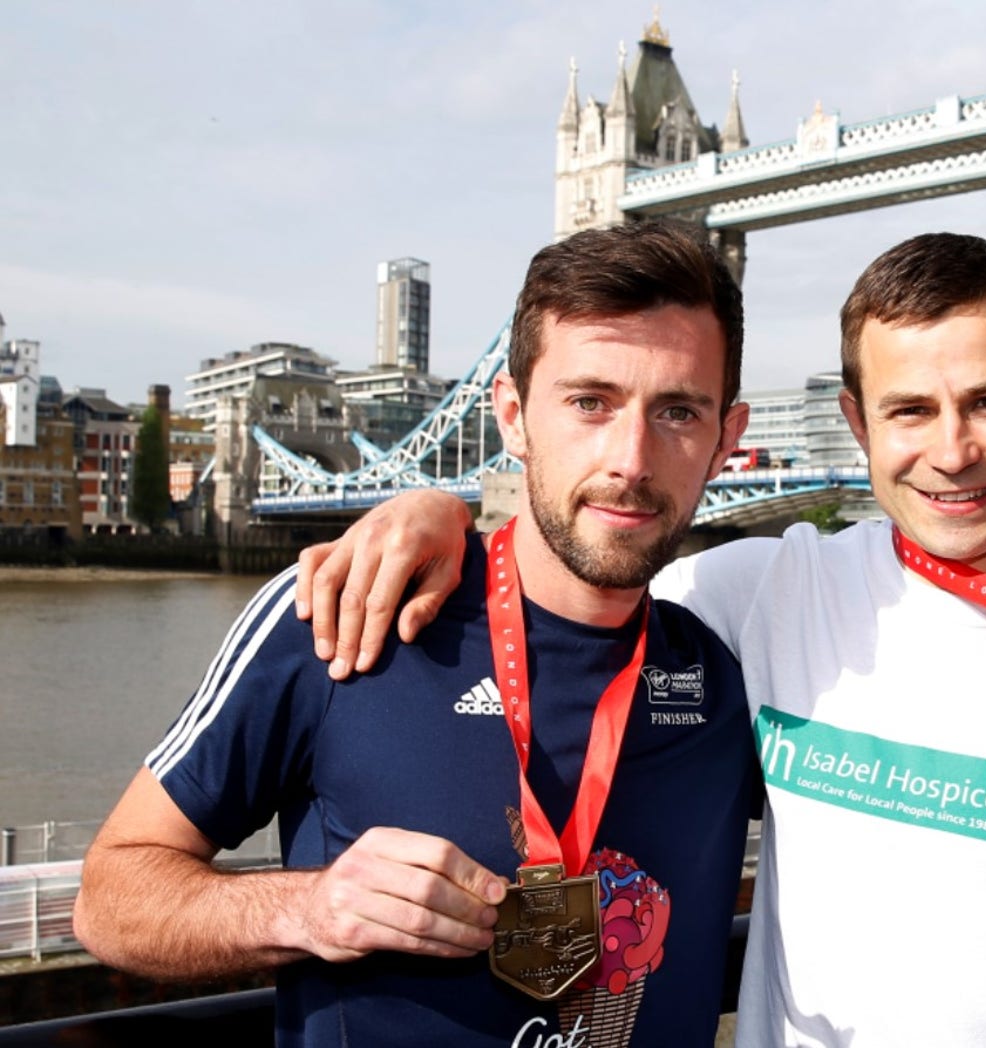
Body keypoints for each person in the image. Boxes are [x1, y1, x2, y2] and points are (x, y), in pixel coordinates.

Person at [302, 232, 986, 1047]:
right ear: (857, 424)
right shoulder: (765, 593)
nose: (953, 451)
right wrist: (436, 514)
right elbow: (576, 570)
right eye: (910, 411)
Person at [72, 221, 764, 1047]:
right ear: (513, 417)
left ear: (725, 441)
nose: (631, 459)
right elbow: (109, 899)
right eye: (589, 402)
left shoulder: (736, 671)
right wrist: (308, 907)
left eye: (678, 411)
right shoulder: (341, 614)